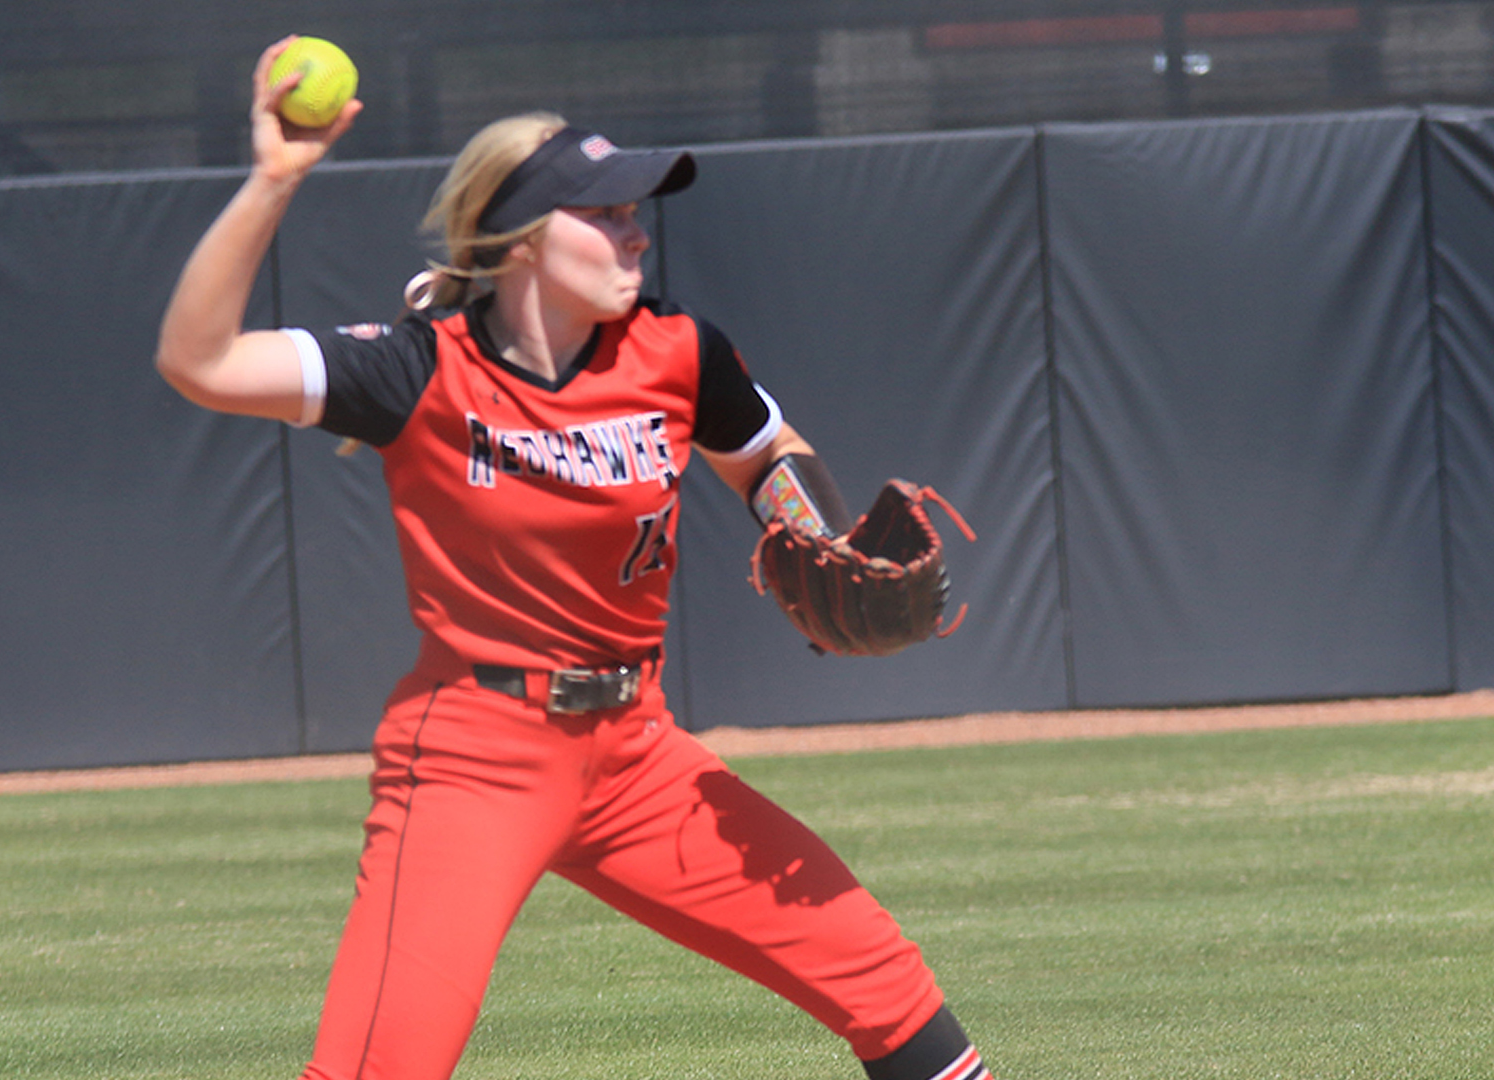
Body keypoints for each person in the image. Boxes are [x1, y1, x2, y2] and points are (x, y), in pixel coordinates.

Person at [155, 38, 994, 1080]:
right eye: (601, 213)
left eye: (635, 208)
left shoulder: (680, 351)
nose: (633, 229)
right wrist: (276, 179)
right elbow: (198, 360)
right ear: (518, 244)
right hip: (473, 757)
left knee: (883, 979)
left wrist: (814, 532)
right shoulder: (420, 366)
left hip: (638, 753)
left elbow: (765, 450)